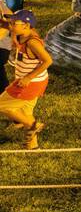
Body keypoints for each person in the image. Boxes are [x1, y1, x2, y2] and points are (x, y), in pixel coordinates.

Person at [0, 10, 50, 149]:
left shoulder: (32, 42)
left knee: (2, 105)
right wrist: (6, 23)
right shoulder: (22, 33)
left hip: (30, 83)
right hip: (36, 82)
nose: (11, 24)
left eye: (14, 22)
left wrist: (28, 78)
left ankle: (33, 125)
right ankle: (33, 146)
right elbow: (7, 25)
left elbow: (47, 61)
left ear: (26, 25)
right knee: (26, 113)